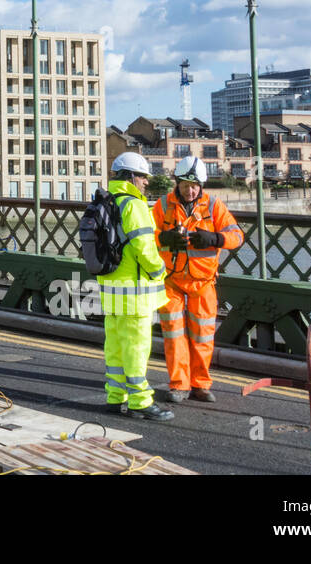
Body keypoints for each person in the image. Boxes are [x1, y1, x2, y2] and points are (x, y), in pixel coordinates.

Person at [152, 156, 244, 403]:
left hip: (203, 282)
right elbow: (147, 235)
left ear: (201, 185)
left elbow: (237, 236)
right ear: (177, 184)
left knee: (203, 335)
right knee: (174, 335)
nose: (190, 191)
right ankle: (179, 385)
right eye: (185, 186)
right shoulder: (162, 206)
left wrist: (215, 239)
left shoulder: (214, 206)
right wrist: (164, 238)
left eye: (194, 186)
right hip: (171, 281)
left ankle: (200, 384)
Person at [100, 152, 174, 421]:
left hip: (112, 289)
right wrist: (160, 270)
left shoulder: (108, 201)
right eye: (142, 176)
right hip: (135, 293)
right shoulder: (134, 205)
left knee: (116, 345)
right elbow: (144, 246)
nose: (145, 182)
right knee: (136, 347)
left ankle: (115, 396)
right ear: (131, 177)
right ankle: (141, 402)